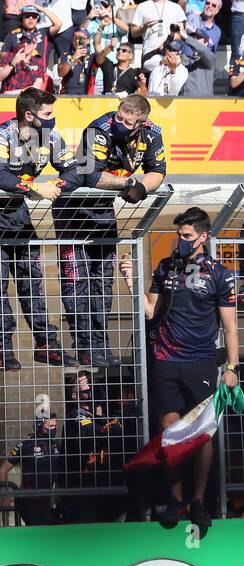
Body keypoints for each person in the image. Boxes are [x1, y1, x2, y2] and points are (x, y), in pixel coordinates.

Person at [121, 208, 238, 539]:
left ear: (203, 236)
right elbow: (149, 311)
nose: (182, 241)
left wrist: (232, 367)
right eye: (179, 236)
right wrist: (131, 280)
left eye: (187, 236)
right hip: (165, 361)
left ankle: (199, 500)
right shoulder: (165, 267)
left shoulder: (220, 274)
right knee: (170, 429)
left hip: (201, 362)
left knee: (202, 434)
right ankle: (176, 501)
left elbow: (229, 327)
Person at [0, 88, 76, 371]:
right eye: (47, 114)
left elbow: (74, 169)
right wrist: (35, 188)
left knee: (33, 278)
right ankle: (3, 348)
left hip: (17, 212)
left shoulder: (51, 136)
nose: (53, 119)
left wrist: (60, 185)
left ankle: (45, 344)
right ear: (29, 115)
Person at [53, 95, 166, 366]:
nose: (120, 124)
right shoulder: (99, 129)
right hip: (72, 208)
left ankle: (101, 345)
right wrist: (128, 182)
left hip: (102, 209)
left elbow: (158, 170)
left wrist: (141, 187)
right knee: (77, 282)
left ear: (141, 123)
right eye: (119, 117)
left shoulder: (151, 134)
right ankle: (83, 346)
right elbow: (92, 177)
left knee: (102, 281)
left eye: (128, 123)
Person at [0, 414, 63, 526]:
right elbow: (3, 470)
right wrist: (4, 493)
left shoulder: (57, 444)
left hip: (49, 499)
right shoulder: (25, 445)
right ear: (39, 426)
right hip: (30, 500)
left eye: (54, 426)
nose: (53, 429)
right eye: (49, 427)